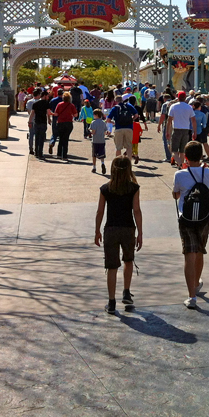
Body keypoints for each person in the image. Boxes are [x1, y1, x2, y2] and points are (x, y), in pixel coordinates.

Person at [94, 156, 143, 314]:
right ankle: (126, 292)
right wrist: (140, 232)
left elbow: (100, 211)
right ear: (129, 170)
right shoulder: (133, 188)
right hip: (128, 228)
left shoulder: (106, 189)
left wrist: (97, 230)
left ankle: (111, 301)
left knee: (112, 266)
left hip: (111, 230)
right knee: (128, 260)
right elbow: (136, 210)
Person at [172, 140, 209, 309]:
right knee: (199, 251)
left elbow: (176, 195)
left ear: (186, 157)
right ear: (201, 156)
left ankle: (191, 297)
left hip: (187, 218)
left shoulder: (180, 175)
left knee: (188, 254)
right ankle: (197, 283)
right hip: (204, 217)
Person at [167, 90, 198, 167]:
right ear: (185, 98)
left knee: (173, 150)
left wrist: (167, 131)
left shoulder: (173, 106)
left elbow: (169, 120)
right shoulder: (189, 107)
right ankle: (181, 165)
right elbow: (193, 120)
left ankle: (181, 165)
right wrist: (195, 132)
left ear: (177, 97)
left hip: (176, 129)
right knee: (182, 151)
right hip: (186, 130)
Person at [54, 91, 77, 161]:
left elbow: (56, 113)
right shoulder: (71, 105)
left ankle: (59, 154)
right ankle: (64, 155)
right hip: (68, 123)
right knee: (66, 139)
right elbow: (76, 115)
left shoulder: (59, 104)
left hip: (60, 122)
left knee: (60, 138)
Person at [30, 88, 51, 159]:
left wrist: (30, 121)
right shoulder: (46, 103)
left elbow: (32, 113)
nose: (48, 97)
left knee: (37, 137)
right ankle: (40, 153)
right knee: (41, 138)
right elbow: (48, 113)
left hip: (36, 122)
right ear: (44, 96)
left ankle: (36, 152)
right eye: (47, 96)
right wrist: (49, 119)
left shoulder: (35, 104)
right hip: (43, 122)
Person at [157, 92, 177, 163]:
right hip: (176, 124)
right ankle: (175, 156)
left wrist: (159, 125)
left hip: (167, 124)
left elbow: (162, 116)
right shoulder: (175, 104)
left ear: (164, 99)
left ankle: (169, 157)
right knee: (174, 141)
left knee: (166, 140)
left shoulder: (165, 105)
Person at [90, 108, 107, 174]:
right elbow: (105, 132)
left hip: (95, 140)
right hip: (102, 140)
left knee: (94, 154)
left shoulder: (93, 122)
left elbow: (93, 132)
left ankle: (94, 167)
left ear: (96, 115)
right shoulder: (103, 122)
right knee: (102, 154)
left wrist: (90, 131)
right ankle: (102, 163)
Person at [25, 88, 40, 155]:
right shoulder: (40, 102)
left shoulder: (29, 102)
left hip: (31, 120)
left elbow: (28, 111)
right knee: (38, 135)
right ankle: (37, 148)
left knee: (31, 135)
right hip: (38, 120)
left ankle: (31, 148)